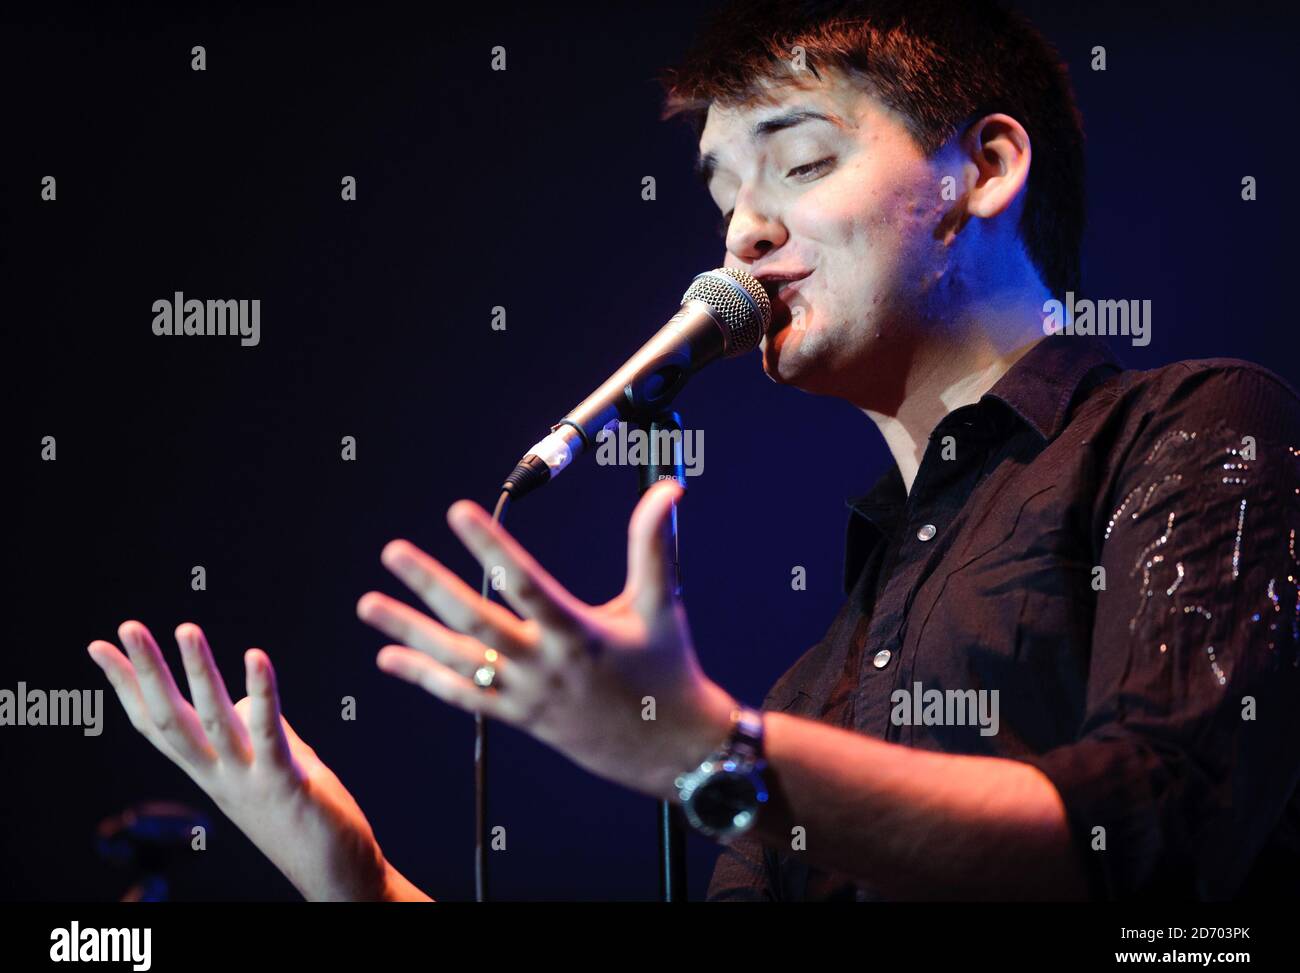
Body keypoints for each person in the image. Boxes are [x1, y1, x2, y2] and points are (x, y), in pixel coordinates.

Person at [88, 0, 1300, 901]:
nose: (743, 228)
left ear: (981, 170)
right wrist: (351, 877)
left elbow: (1163, 834)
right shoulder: (815, 680)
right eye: (724, 190)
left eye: (804, 159)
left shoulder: (1194, 428)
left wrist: (709, 750)